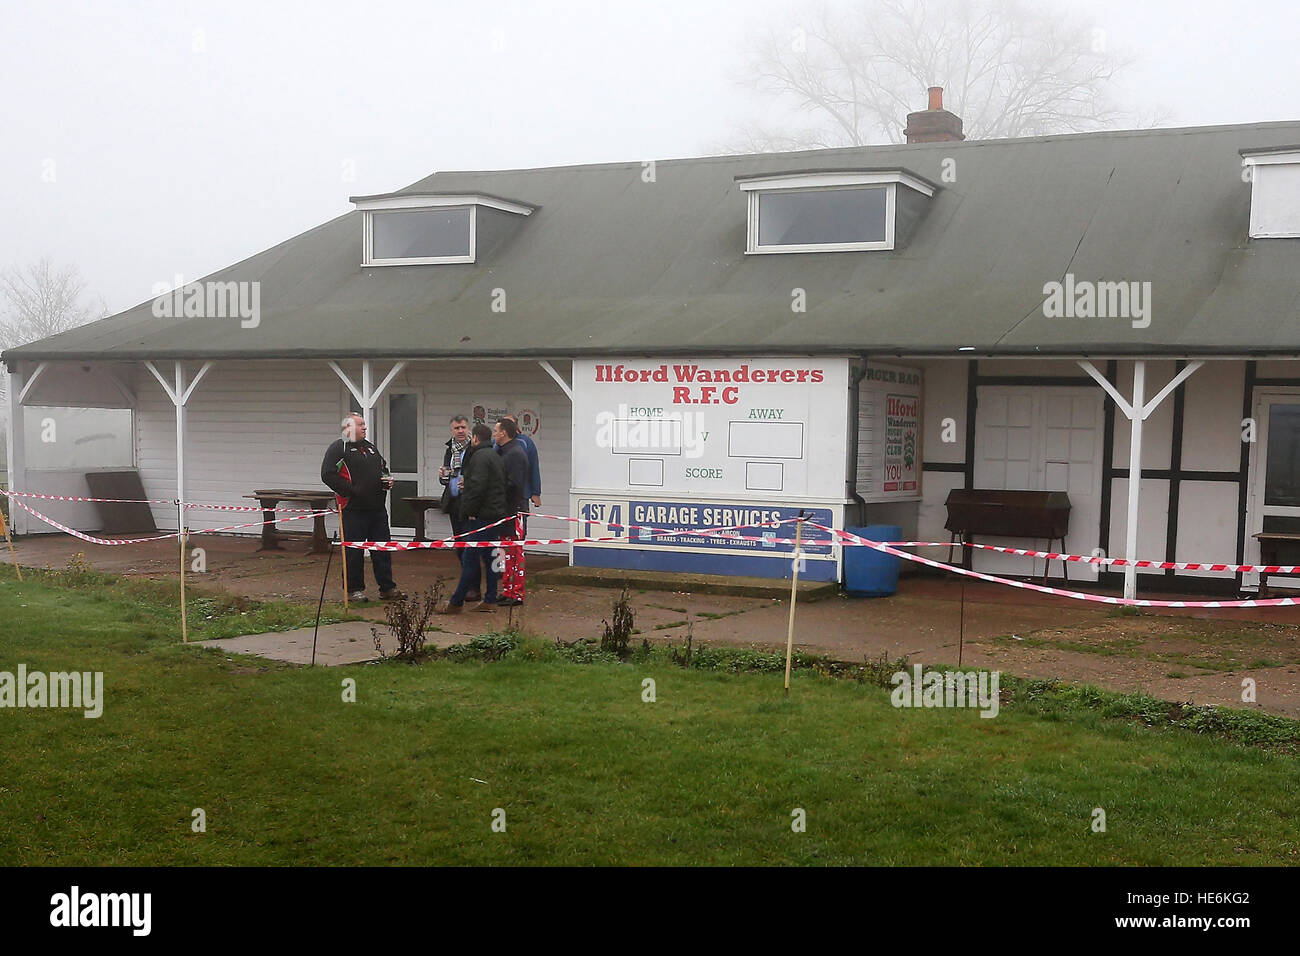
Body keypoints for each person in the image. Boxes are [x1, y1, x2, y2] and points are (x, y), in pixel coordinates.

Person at [321, 413, 404, 602]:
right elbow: (328, 474)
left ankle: (387, 587)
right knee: (354, 551)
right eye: (360, 425)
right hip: (353, 509)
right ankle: (353, 590)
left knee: (382, 549)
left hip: (376, 508)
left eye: (365, 424)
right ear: (348, 428)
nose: (365, 428)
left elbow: (383, 468)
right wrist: (351, 491)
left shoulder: (370, 448)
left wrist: (387, 480)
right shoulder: (338, 448)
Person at [437, 424, 507, 614]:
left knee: (469, 557)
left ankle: (456, 602)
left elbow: (477, 488)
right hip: (494, 515)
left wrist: (468, 511)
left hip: (481, 516)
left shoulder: (479, 457)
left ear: (475, 438)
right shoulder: (494, 455)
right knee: (490, 555)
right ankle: (490, 598)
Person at [439, 414, 478, 602]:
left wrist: (468, 483)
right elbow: (447, 478)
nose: (460, 431)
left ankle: (473, 587)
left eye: (463, 427)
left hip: (469, 504)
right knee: (460, 548)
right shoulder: (450, 449)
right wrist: (443, 476)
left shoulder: (474, 449)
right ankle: (467, 583)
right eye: (457, 428)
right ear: (452, 430)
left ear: (468, 428)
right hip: (454, 503)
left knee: (470, 548)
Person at [494, 417, 530, 606]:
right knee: (504, 553)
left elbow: (514, 484)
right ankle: (507, 590)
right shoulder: (504, 452)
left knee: (514, 552)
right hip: (503, 512)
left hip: (514, 511)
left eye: (496, 431)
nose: (494, 434)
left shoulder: (515, 453)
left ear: (504, 433)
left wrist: (493, 488)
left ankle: (516, 593)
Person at [503, 413, 542, 518]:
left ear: (516, 426)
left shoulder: (525, 442)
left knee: (520, 527)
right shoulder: (496, 443)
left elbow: (534, 468)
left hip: (522, 494)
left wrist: (536, 493)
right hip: (502, 495)